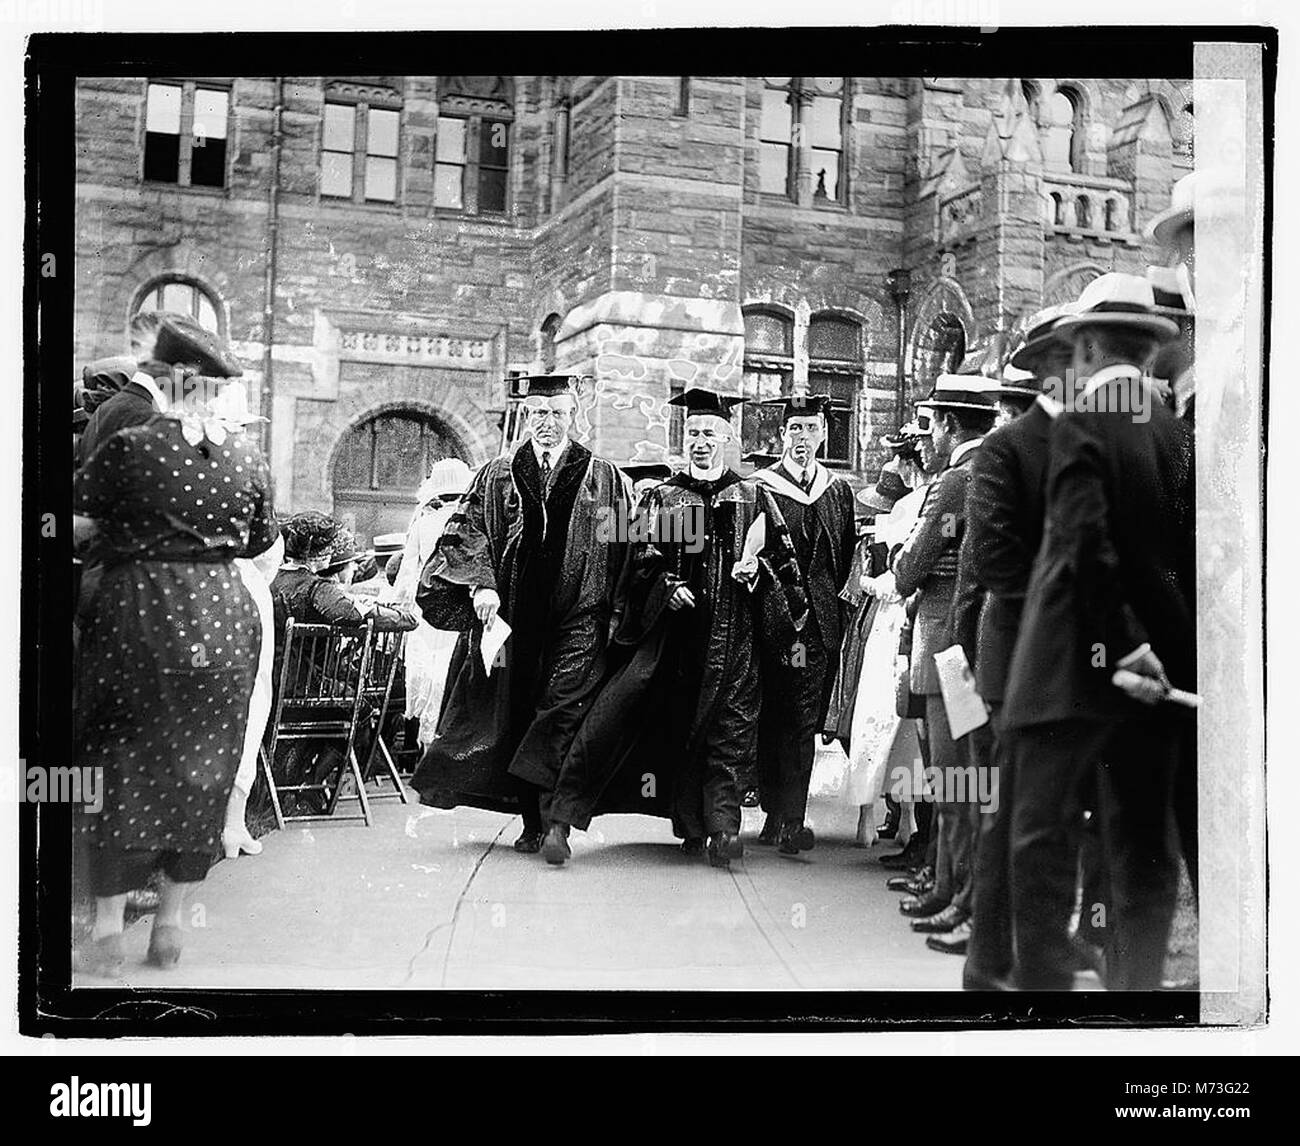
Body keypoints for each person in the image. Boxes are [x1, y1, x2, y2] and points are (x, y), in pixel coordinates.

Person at [1001, 272, 1193, 990]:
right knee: (1144, 850)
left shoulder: (1083, 417)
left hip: (1071, 677)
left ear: (1083, 345)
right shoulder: (1172, 428)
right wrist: (1157, 648)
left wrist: (1117, 641)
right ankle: (1135, 1001)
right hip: (1157, 682)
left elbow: (1086, 544)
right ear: (1144, 350)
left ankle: (1043, 1014)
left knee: (1040, 844)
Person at [72, 315, 279, 976]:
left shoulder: (130, 446)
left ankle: (106, 930)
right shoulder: (248, 457)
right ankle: (168, 927)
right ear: (210, 388)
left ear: (165, 379)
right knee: (201, 768)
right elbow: (258, 539)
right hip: (221, 621)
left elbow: (79, 524)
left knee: (117, 761)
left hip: (138, 616)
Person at [543, 388, 807, 867]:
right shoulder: (664, 498)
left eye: (709, 433)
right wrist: (667, 585)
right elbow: (638, 558)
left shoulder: (753, 496)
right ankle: (560, 820)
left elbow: (784, 564)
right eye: (692, 434)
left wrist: (757, 574)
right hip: (671, 639)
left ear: (728, 438)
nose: (700, 442)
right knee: (613, 716)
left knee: (728, 731)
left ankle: (722, 831)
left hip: (734, 640)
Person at [411, 375, 630, 855]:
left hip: (580, 619)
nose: (547, 423)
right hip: (512, 621)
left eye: (557, 413)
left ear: (574, 417)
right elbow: (466, 533)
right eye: (538, 414)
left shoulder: (604, 476)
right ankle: (534, 822)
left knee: (560, 713)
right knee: (518, 713)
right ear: (526, 417)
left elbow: (625, 546)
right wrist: (481, 584)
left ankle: (558, 824)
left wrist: (619, 611)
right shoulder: (496, 473)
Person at [928, 308, 1074, 968]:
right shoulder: (1026, 452)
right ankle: (990, 938)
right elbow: (986, 567)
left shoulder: (1015, 457)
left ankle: (1000, 940)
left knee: (1002, 799)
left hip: (1013, 653)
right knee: (1001, 798)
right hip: (1024, 655)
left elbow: (979, 572)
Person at [892, 375, 999, 941]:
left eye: (932, 424)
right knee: (965, 779)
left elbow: (910, 566)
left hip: (946, 647)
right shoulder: (989, 468)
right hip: (973, 645)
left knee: (953, 778)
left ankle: (955, 893)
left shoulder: (955, 479)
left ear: (952, 425)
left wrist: (900, 555)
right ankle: (949, 887)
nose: (926, 436)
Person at [749, 395, 857, 855]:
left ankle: (792, 818)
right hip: (772, 623)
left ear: (823, 435)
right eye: (794, 430)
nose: (802, 439)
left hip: (819, 628)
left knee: (800, 720)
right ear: (781, 435)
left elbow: (849, 554)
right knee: (772, 713)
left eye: (811, 429)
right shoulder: (762, 487)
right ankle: (775, 810)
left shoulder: (836, 491)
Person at [842, 440, 930, 846]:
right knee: (907, 720)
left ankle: (871, 815)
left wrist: (868, 583)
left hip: (894, 617)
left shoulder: (906, 507)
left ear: (909, 465)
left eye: (900, 456)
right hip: (913, 615)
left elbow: (896, 578)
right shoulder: (930, 498)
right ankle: (906, 816)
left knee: (878, 714)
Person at [392, 458, 474, 750]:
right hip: (460, 608)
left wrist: (400, 606)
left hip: (426, 609)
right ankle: (448, 741)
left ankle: (424, 743)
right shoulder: (472, 524)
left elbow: (407, 573)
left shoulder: (424, 523)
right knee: (452, 671)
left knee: (427, 671)